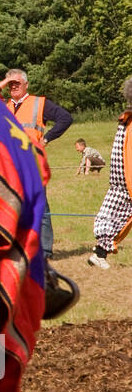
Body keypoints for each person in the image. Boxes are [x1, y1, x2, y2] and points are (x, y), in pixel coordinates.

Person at [0, 69, 72, 259]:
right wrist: (3, 82)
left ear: (26, 85)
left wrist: (46, 140)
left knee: (41, 206)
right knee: (12, 206)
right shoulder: (3, 106)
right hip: (10, 164)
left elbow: (65, 118)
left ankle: (45, 251)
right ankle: (18, 247)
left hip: (33, 163)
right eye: (11, 84)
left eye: (17, 83)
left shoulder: (39, 103)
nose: (14, 87)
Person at [88, 76, 132, 270]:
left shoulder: (125, 120)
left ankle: (99, 254)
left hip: (121, 181)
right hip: (127, 181)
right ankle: (99, 253)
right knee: (116, 216)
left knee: (114, 215)